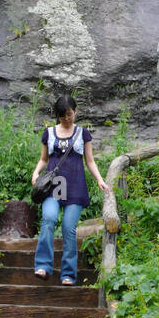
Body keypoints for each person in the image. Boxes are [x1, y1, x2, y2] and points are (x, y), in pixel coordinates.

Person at [31, 94, 109, 285]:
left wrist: (99, 179)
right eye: (62, 115)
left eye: (69, 114)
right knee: (48, 219)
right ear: (57, 116)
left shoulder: (83, 134)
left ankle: (67, 274)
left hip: (75, 186)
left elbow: (89, 161)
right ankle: (43, 265)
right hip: (53, 187)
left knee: (68, 228)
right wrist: (36, 173)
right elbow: (44, 159)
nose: (67, 118)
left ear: (75, 111)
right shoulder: (49, 133)